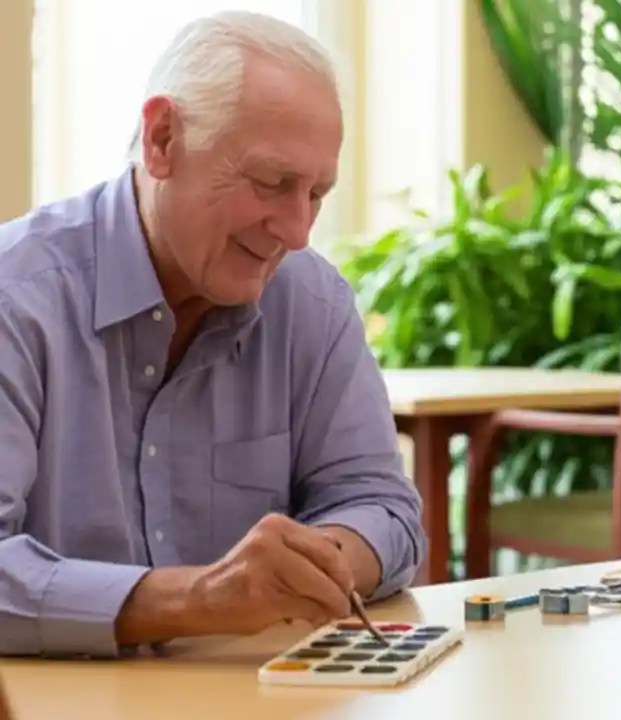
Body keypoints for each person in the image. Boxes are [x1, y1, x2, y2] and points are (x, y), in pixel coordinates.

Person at [0, 12, 425, 658]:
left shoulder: (313, 303)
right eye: (273, 183)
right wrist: (195, 600)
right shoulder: (16, 299)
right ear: (162, 139)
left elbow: (383, 507)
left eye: (317, 193)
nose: (298, 230)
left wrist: (317, 560)